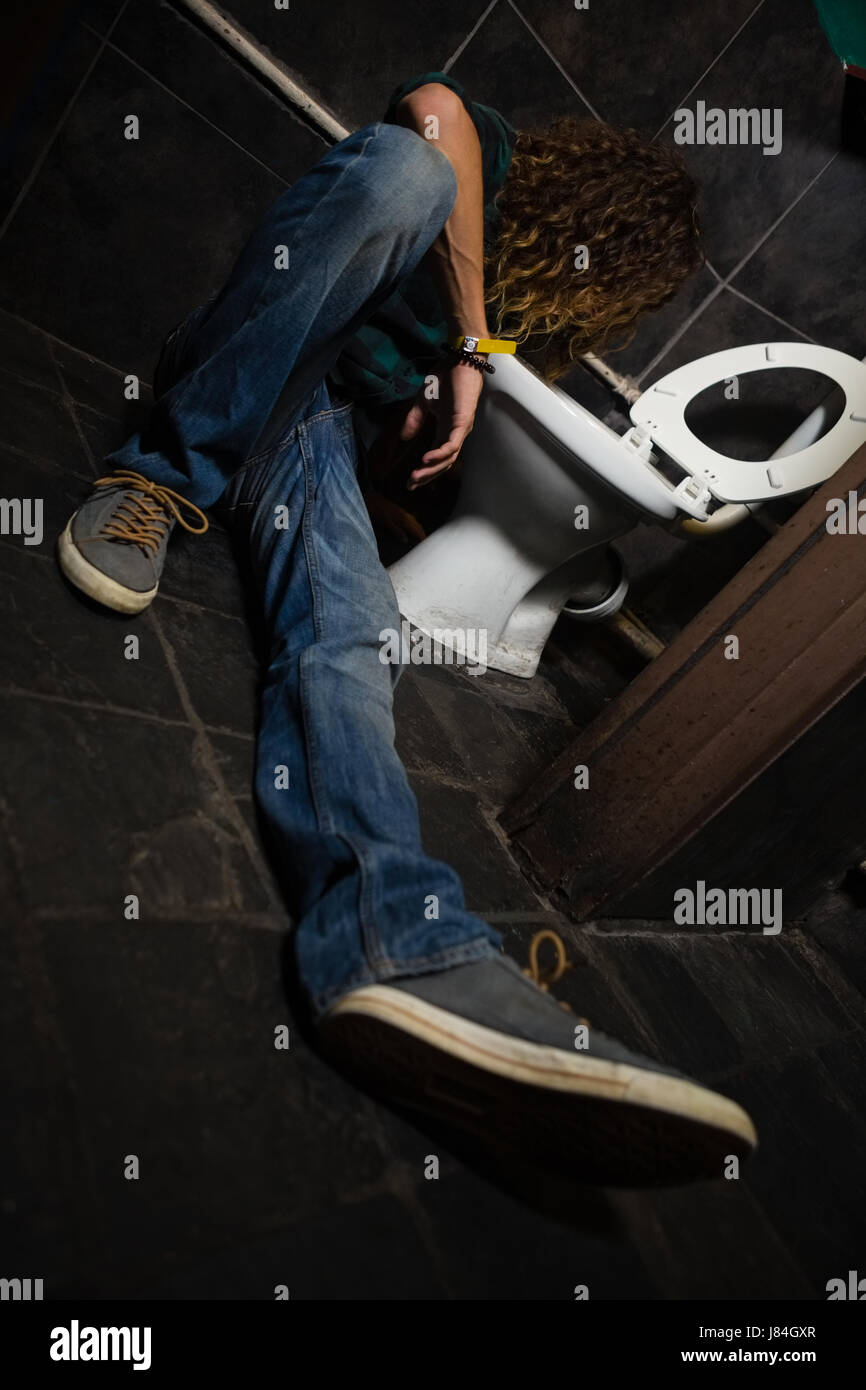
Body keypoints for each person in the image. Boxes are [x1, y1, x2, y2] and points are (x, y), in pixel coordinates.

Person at [56, 73, 755, 1184]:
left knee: (352, 638)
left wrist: (404, 453)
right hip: (245, 368)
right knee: (402, 171)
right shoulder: (487, 159)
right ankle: (156, 474)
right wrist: (475, 349)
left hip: (310, 439)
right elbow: (427, 108)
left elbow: (377, 443)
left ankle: (399, 944)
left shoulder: (522, 329)